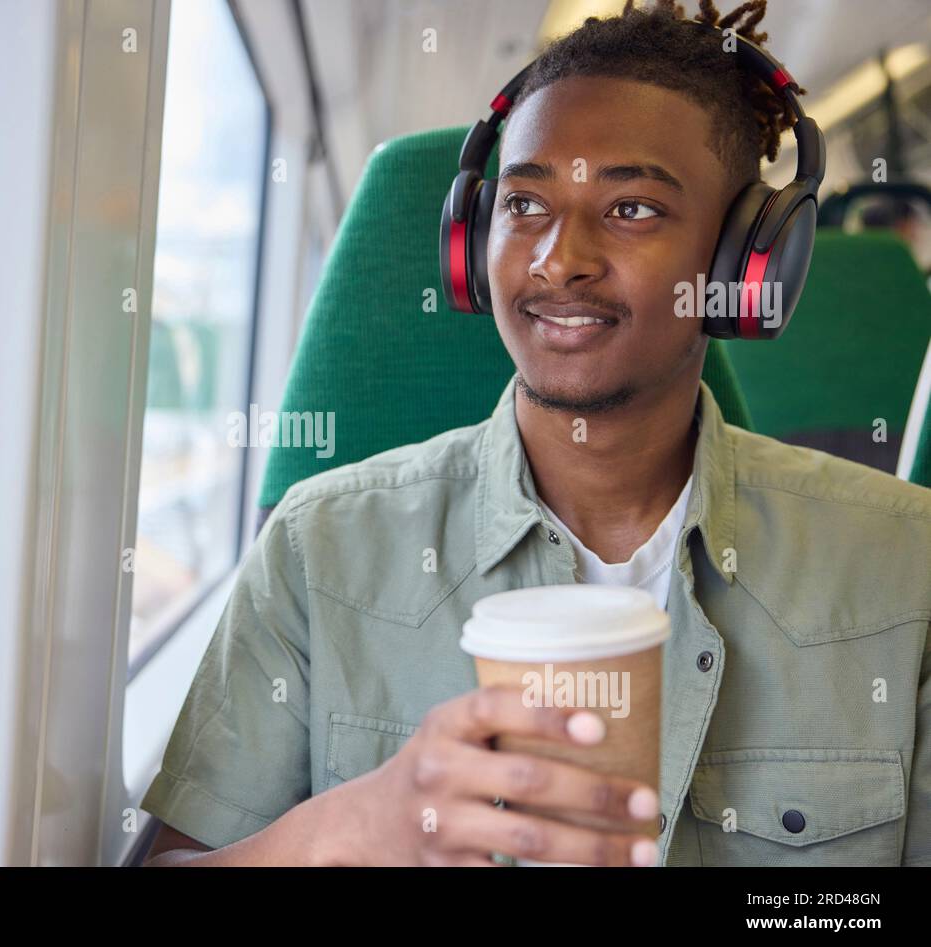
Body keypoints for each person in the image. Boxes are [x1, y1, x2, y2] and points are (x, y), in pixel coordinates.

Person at [140, 0, 931, 866]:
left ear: (745, 258)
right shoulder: (316, 548)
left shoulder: (905, 560)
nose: (560, 259)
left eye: (631, 209)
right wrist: (351, 830)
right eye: (524, 202)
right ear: (472, 241)